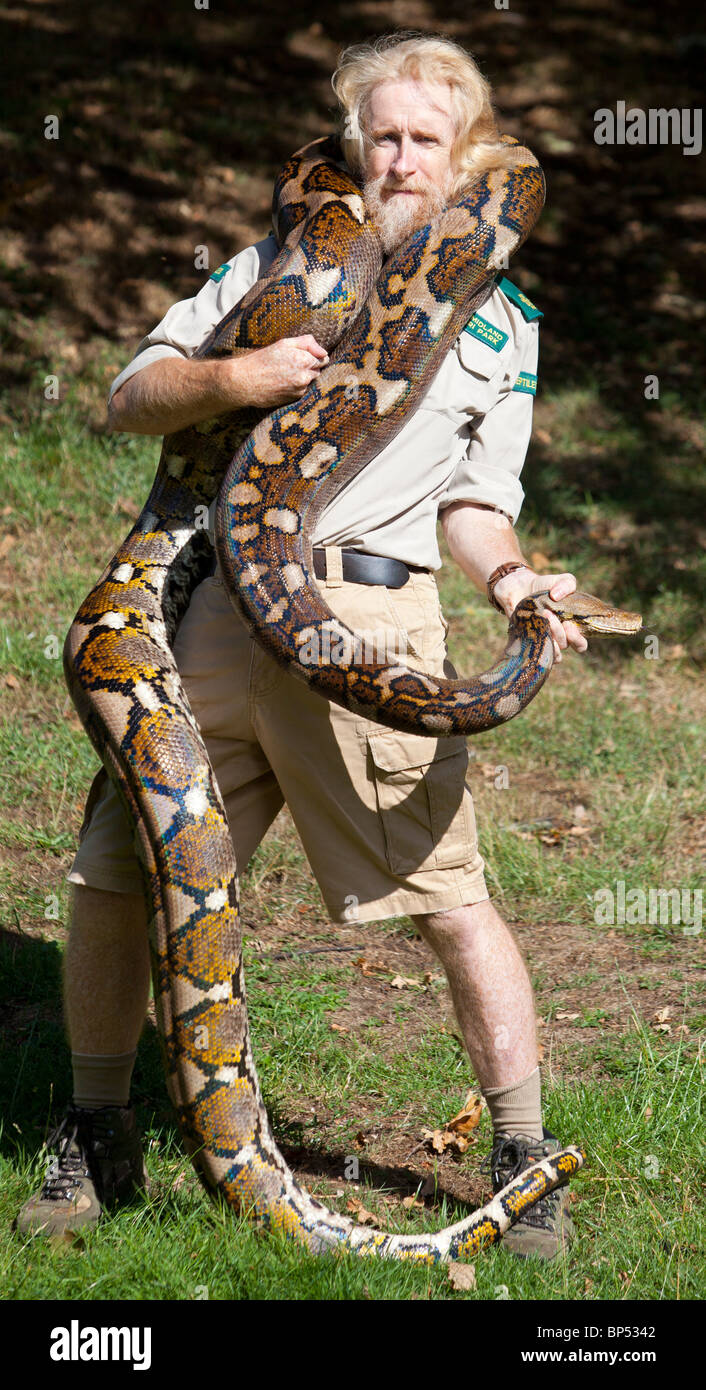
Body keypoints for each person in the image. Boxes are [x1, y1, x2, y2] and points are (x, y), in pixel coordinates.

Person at [17, 32, 587, 1258]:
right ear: (349, 146)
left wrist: (514, 583)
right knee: (114, 874)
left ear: (469, 157)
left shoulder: (501, 322)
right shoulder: (268, 270)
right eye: (382, 136)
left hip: (367, 622)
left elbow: (477, 504)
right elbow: (129, 396)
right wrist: (239, 374)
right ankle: (98, 1127)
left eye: (426, 140)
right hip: (214, 618)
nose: (401, 159)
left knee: (448, 898)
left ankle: (523, 1148)